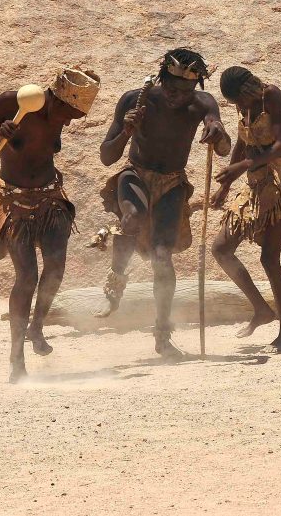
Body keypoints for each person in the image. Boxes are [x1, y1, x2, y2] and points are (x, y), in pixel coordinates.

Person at [0, 67, 99, 383]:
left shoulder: (58, 114)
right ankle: (16, 359)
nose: (68, 123)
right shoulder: (12, 102)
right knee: (27, 276)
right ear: (57, 98)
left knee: (55, 267)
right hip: (14, 201)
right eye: (68, 115)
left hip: (51, 199)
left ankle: (36, 326)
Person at [98, 49, 230, 359]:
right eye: (171, 88)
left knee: (161, 256)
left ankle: (162, 335)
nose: (177, 97)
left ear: (195, 87)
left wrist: (218, 132)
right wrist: (126, 131)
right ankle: (115, 284)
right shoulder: (135, 100)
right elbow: (106, 156)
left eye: (185, 91)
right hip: (135, 172)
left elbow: (224, 149)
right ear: (161, 78)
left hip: (172, 181)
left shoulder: (203, 104)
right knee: (131, 218)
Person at [210, 66, 281, 351]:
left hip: (278, 185)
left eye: (239, 99)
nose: (239, 105)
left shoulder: (271, 96)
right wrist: (226, 185)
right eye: (235, 103)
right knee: (221, 249)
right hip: (253, 185)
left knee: (269, 259)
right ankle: (261, 309)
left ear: (247, 90)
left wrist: (241, 166)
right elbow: (243, 142)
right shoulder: (245, 105)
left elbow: (280, 146)